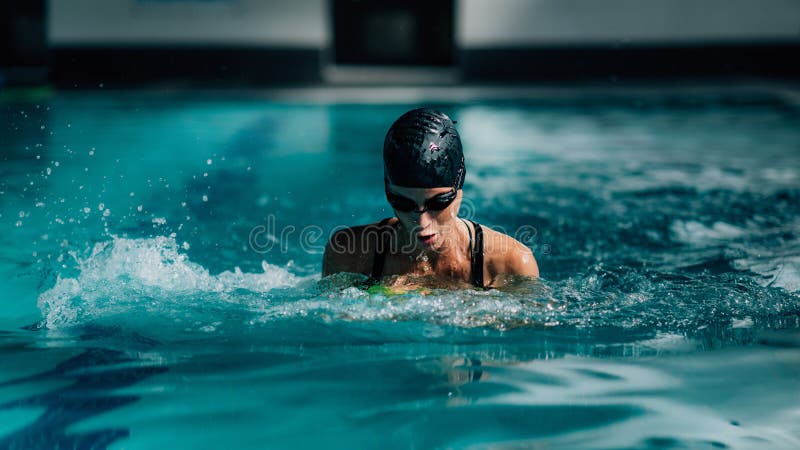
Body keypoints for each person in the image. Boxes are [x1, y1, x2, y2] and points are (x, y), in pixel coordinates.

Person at [322, 108, 538, 289]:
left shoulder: (511, 263)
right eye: (403, 204)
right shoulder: (349, 254)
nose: (422, 223)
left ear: (459, 187)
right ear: (388, 193)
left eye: (437, 203)